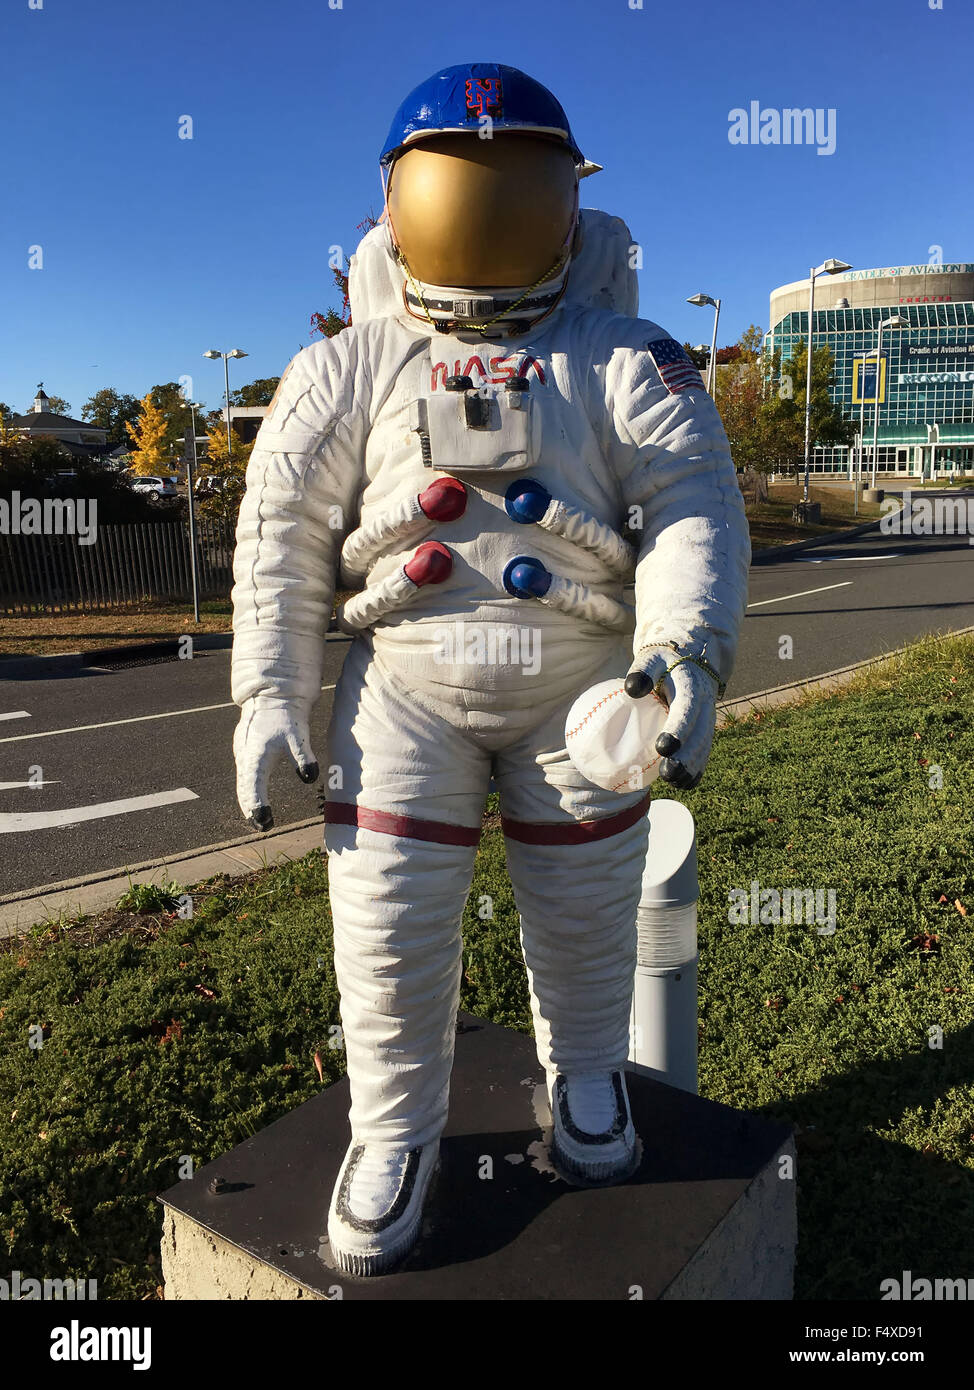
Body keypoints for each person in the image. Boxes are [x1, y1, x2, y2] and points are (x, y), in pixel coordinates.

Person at [231, 62, 750, 1276]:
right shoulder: (347, 369)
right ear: (397, 197)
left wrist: (681, 653)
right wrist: (268, 687)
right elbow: (284, 540)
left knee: (582, 910)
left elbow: (689, 509)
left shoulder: (627, 357)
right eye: (463, 177)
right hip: (404, 681)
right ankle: (393, 1134)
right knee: (386, 920)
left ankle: (583, 1081)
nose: (491, 204)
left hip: (581, 686)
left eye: (517, 179)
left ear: (568, 199)